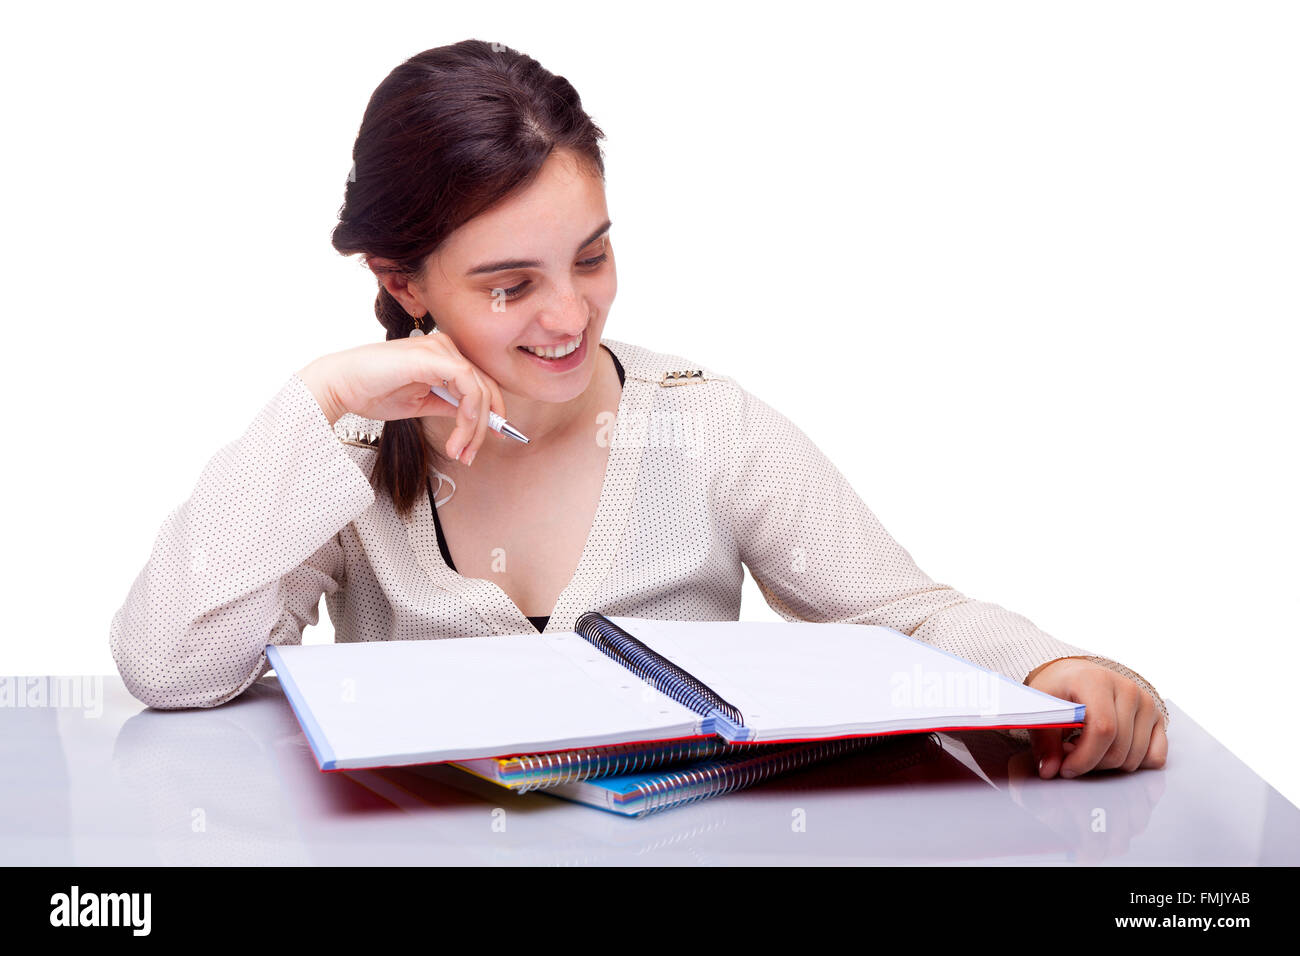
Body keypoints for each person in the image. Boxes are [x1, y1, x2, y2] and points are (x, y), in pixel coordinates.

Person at [109, 39, 1168, 782]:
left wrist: (1050, 667)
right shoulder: (339, 456)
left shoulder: (704, 426)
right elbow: (170, 667)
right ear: (406, 279)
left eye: (593, 254)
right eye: (510, 284)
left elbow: (911, 615)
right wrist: (324, 396)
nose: (571, 315)